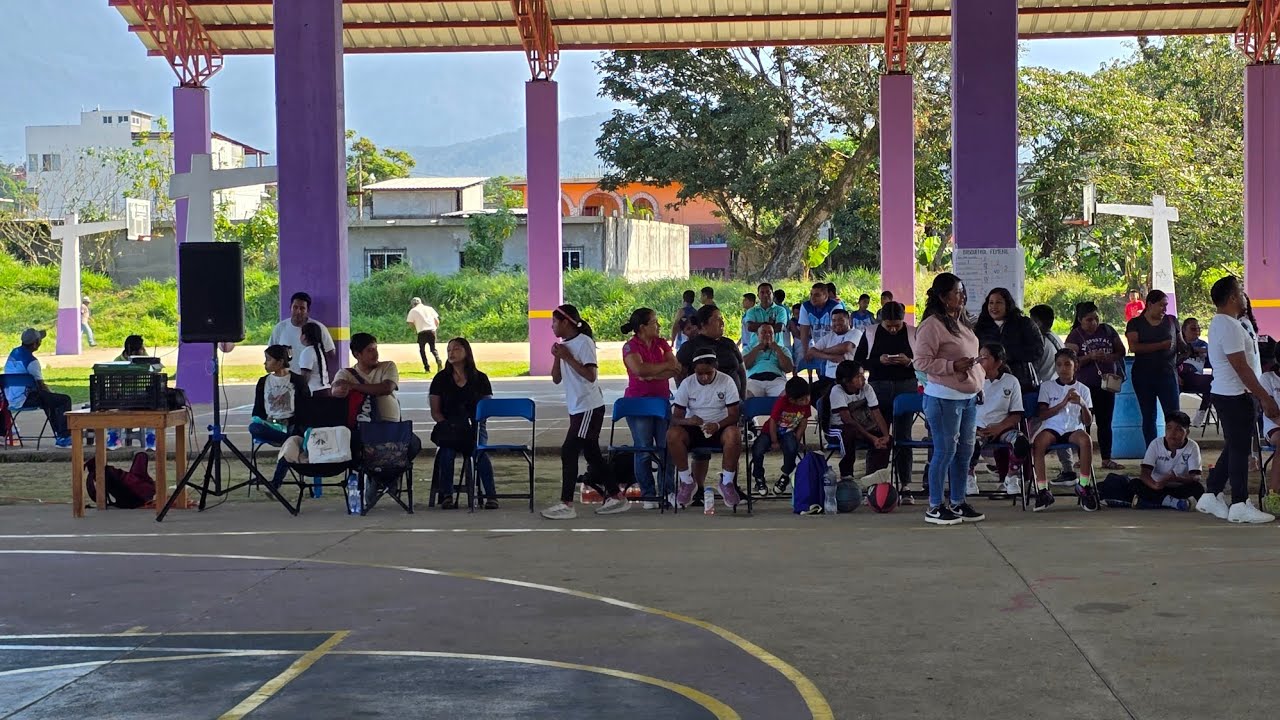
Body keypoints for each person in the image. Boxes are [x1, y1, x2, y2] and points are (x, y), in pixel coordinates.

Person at [1195, 276, 1280, 523]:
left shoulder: (1233, 323)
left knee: (1235, 446)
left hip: (1237, 394)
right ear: (1232, 297)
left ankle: (1211, 493)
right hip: (1234, 395)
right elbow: (1241, 367)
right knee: (1240, 451)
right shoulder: (1227, 326)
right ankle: (1240, 503)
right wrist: (1265, 397)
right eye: (1241, 291)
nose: (1244, 296)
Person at [542, 305, 628, 520]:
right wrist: (557, 356)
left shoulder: (584, 343)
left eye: (554, 322)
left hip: (588, 406)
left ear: (565, 322)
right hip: (576, 407)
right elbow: (556, 378)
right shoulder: (565, 346)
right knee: (591, 453)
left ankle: (567, 503)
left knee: (569, 450)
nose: (552, 326)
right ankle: (617, 496)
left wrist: (568, 357)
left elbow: (590, 375)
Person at [914, 273, 985, 525]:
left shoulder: (960, 321)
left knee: (965, 451)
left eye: (963, 291)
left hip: (967, 396)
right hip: (944, 398)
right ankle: (934, 506)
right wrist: (952, 365)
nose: (962, 296)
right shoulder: (932, 325)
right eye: (957, 292)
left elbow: (972, 355)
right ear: (944, 298)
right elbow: (921, 362)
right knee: (945, 451)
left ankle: (958, 501)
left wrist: (979, 384)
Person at [620, 307, 680, 508]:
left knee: (667, 448)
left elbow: (675, 367)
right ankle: (648, 493)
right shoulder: (630, 347)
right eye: (654, 322)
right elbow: (638, 369)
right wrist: (662, 368)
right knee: (644, 449)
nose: (659, 325)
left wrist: (652, 374)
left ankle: (667, 491)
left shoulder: (662, 344)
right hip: (639, 404)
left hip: (661, 401)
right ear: (642, 327)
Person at [853, 301, 917, 491]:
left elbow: (924, 361)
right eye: (888, 326)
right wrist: (877, 361)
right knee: (878, 436)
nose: (893, 330)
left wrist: (909, 362)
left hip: (906, 386)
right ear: (881, 322)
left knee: (904, 436)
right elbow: (859, 361)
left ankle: (905, 484)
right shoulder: (870, 333)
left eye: (897, 325)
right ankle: (874, 483)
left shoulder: (913, 333)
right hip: (878, 388)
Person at [668, 352, 743, 510]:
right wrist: (689, 420)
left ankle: (727, 482)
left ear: (715, 367)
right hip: (694, 429)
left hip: (720, 427)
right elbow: (675, 418)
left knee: (734, 434)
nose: (704, 377)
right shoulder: (687, 384)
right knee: (673, 434)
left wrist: (716, 424)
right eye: (699, 373)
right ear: (694, 369)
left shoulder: (727, 381)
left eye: (708, 373)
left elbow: (734, 415)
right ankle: (687, 482)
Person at [430, 337, 497, 510]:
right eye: (449, 350)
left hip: (474, 426)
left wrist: (473, 424)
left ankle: (491, 495)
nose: (451, 353)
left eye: (456, 349)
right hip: (449, 426)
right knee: (446, 452)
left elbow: (486, 407)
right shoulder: (441, 379)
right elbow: (435, 411)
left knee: (479, 452)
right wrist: (447, 425)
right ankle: (447, 495)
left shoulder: (480, 378)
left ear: (467, 352)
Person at [1030, 349, 1098, 512]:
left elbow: (1087, 421)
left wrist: (1082, 404)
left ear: (1076, 366)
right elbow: (1042, 414)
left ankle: (1083, 486)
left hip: (1073, 428)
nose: (1063, 368)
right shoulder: (1047, 387)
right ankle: (1043, 489)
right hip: (1052, 426)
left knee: (1086, 440)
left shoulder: (1083, 389)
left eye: (1067, 364)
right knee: (1038, 443)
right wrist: (1063, 403)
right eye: (1059, 364)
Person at [1065, 302, 1126, 471]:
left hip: (1106, 384)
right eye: (1089, 319)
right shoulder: (1075, 335)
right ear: (1080, 320)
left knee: (1105, 422)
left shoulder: (1107, 330)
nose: (1093, 323)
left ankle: (1106, 458)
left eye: (1096, 319)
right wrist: (1089, 357)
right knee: (1082, 422)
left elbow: (1121, 350)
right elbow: (1069, 360)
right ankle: (1082, 458)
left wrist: (1110, 357)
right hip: (1084, 386)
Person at [1125, 289, 1185, 447]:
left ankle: (1174, 450)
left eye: (1166, 306)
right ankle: (1152, 452)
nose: (1165, 309)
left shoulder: (1172, 321)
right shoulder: (1135, 324)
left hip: (1167, 374)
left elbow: (1180, 344)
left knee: (1174, 416)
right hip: (1143, 376)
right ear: (1150, 305)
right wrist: (1161, 345)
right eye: (1161, 305)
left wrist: (1191, 350)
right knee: (1148, 416)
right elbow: (1134, 347)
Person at [249, 345, 311, 488]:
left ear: (280, 362)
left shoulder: (297, 380)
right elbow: (258, 409)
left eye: (268, 360)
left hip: (292, 425)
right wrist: (260, 420)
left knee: (292, 442)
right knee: (254, 428)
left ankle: (275, 484)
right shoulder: (263, 382)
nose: (265, 363)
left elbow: (307, 407)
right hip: (271, 426)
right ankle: (290, 442)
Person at [972, 343, 1027, 497]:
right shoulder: (973, 380)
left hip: (1003, 428)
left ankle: (1011, 477)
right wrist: (976, 429)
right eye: (979, 356)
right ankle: (969, 477)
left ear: (998, 362)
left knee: (1021, 442)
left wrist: (999, 427)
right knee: (969, 442)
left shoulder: (1011, 381)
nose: (979, 360)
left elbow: (1016, 414)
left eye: (985, 357)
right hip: (977, 428)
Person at [3, 328, 72, 448]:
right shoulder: (32, 362)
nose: (40, 343)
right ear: (35, 344)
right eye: (39, 341)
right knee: (63, 400)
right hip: (26, 399)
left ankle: (60, 434)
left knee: (48, 401)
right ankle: (63, 436)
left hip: (9, 398)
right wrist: (51, 393)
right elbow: (41, 386)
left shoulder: (13, 354)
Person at [825, 361, 891, 482]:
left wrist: (885, 435)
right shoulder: (837, 391)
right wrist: (872, 438)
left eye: (863, 374)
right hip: (838, 429)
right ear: (846, 381)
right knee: (848, 433)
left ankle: (874, 476)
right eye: (858, 376)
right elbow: (848, 420)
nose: (863, 378)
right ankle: (846, 474)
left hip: (861, 428)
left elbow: (877, 413)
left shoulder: (867, 388)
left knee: (886, 440)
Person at [973, 288, 1045, 391]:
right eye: (991, 303)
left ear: (1008, 304)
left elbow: (1038, 350)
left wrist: (1007, 355)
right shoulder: (981, 327)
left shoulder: (1024, 324)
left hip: (1022, 383)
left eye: (999, 302)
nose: (994, 307)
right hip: (989, 382)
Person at [749, 376, 811, 496]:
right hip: (769, 432)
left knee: (792, 448)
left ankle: (786, 475)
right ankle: (759, 477)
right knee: (757, 449)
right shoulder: (782, 402)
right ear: (792, 400)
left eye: (807, 397)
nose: (806, 401)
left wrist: (797, 439)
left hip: (788, 433)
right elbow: (772, 421)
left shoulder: (805, 404)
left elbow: (803, 422)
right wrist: (774, 441)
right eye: (802, 399)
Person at [1132, 411, 1203, 511]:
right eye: (1169, 428)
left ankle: (1151, 503)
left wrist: (1176, 478)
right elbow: (1144, 473)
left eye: (1178, 429)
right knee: (1135, 484)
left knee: (1198, 489)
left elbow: (1195, 476)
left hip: (1179, 486)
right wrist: (1155, 485)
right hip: (1156, 486)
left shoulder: (1192, 446)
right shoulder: (1156, 444)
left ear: (1187, 432)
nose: (1172, 433)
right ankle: (1174, 503)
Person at [332, 333, 402, 423]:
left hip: (389, 423)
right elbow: (336, 387)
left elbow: (387, 388)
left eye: (376, 349)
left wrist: (353, 386)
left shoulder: (388, 366)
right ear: (357, 355)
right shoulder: (346, 373)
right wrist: (338, 390)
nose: (375, 354)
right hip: (361, 424)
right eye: (370, 350)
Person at [676, 304, 746, 393]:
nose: (722, 323)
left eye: (722, 319)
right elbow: (679, 376)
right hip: (703, 401)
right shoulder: (689, 347)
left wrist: (743, 397)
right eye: (717, 319)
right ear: (704, 325)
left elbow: (742, 372)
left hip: (734, 399)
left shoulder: (729, 343)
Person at [269, 292, 336, 379]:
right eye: (295, 307)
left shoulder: (318, 328)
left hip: (313, 383)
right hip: (287, 379)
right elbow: (271, 352)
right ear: (290, 308)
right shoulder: (280, 327)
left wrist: (313, 360)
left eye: (302, 308)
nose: (298, 311)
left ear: (308, 310)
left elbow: (331, 352)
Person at [107, 335, 155, 451]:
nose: (144, 351)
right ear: (134, 352)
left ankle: (151, 437)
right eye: (142, 349)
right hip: (125, 397)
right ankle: (114, 437)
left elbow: (154, 372)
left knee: (155, 404)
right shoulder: (117, 362)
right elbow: (113, 386)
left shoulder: (145, 358)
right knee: (110, 405)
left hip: (143, 396)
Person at [806, 308, 860, 399]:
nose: (837, 323)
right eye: (834, 320)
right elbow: (811, 351)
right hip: (829, 378)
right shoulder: (830, 336)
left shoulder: (856, 333)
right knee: (807, 392)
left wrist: (823, 351)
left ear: (849, 320)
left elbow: (845, 347)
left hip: (847, 379)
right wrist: (830, 357)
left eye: (840, 320)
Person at [1177, 317, 1213, 427]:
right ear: (1184, 330)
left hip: (1197, 377)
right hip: (1179, 378)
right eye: (1193, 328)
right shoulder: (1178, 344)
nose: (1197, 331)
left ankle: (1201, 413)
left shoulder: (1204, 344)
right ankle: (1175, 418)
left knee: (1213, 382)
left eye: (1198, 328)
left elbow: (1211, 361)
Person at [743, 324, 794, 398]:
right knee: (745, 395)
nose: (767, 334)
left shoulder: (782, 349)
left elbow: (788, 368)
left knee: (789, 395)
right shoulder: (749, 349)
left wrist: (777, 349)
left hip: (777, 380)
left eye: (770, 333)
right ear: (757, 335)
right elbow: (744, 366)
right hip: (754, 380)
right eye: (763, 332)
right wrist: (757, 349)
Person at [798, 283, 841, 362]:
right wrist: (806, 351)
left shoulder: (835, 307)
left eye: (817, 295)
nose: (813, 298)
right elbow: (804, 332)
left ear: (825, 296)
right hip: (818, 346)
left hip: (834, 347)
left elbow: (838, 331)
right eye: (811, 295)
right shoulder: (806, 307)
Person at [406, 297, 442, 374]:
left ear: (413, 304)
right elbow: (437, 321)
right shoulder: (429, 308)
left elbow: (410, 323)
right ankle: (438, 359)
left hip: (421, 332)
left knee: (422, 350)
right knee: (433, 349)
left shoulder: (413, 311)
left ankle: (427, 368)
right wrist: (435, 329)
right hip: (432, 331)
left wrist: (415, 328)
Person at [296, 322, 331, 396]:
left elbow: (305, 377)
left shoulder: (307, 352)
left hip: (314, 391)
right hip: (325, 389)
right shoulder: (319, 350)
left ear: (304, 336)